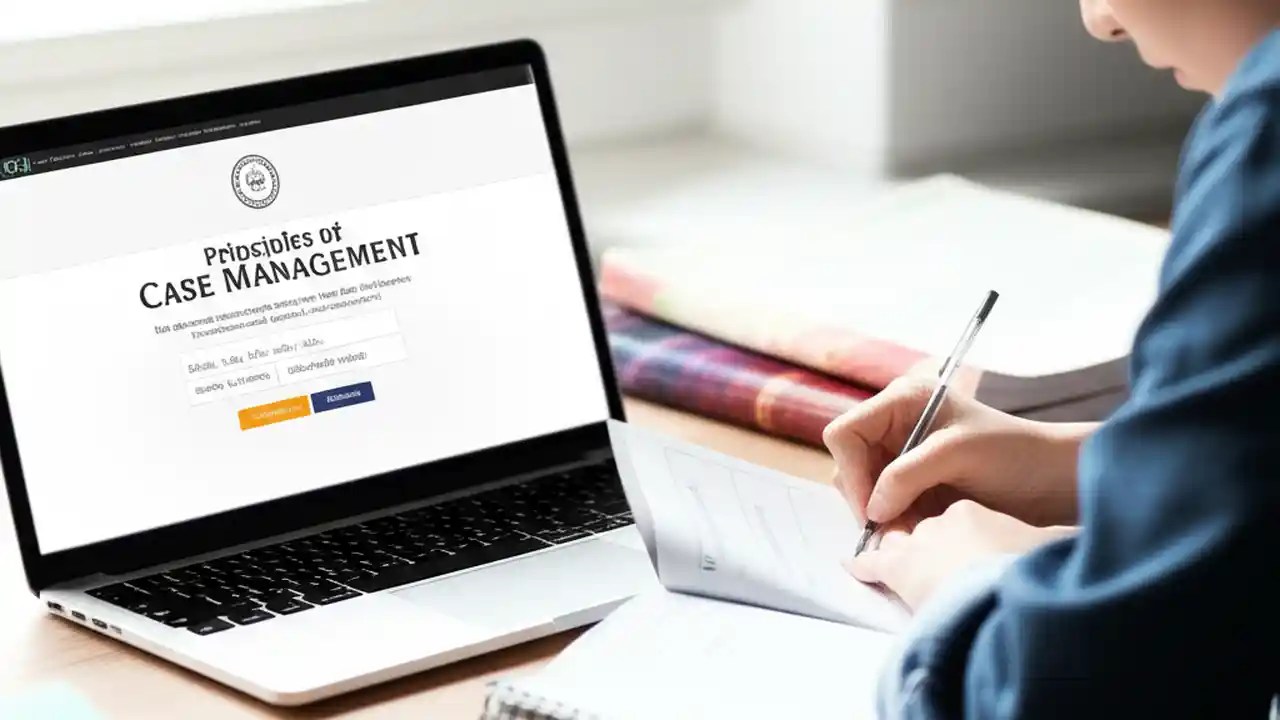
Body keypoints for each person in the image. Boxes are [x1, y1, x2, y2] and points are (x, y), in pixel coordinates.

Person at [822, 1, 1280, 717]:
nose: (1100, 21)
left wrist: (976, 587)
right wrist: (1071, 468)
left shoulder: (1268, 138)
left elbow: (1088, 691)